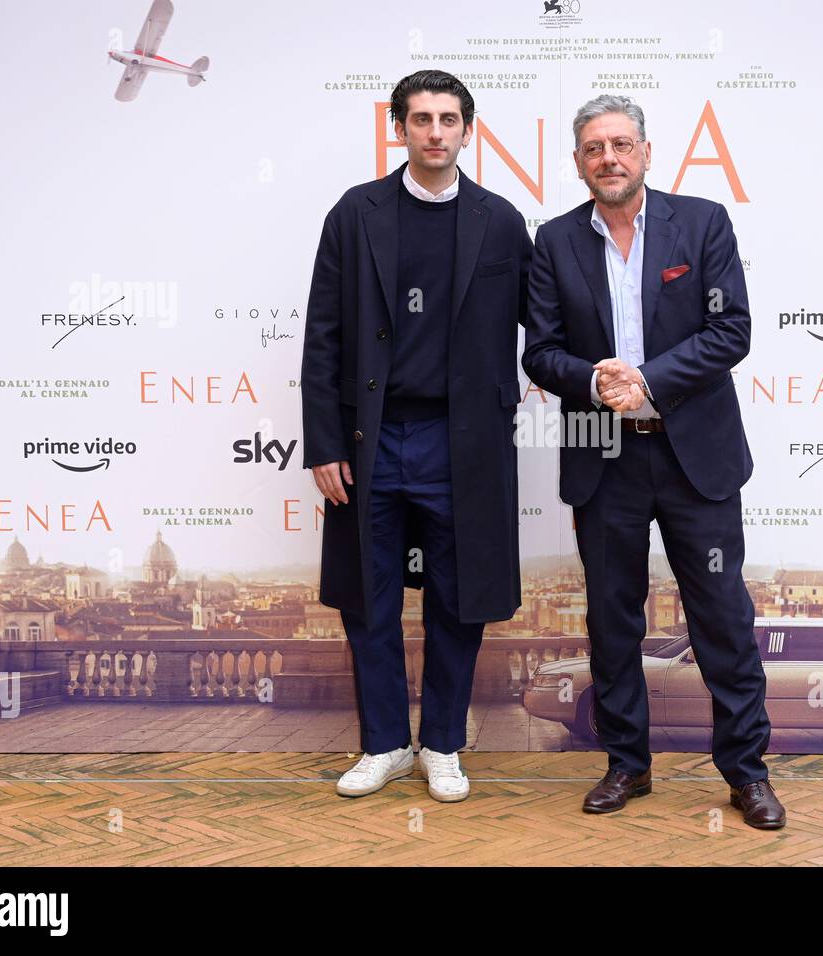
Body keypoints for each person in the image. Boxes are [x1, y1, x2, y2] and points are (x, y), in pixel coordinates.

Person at [521, 94, 784, 829]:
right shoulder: (554, 242)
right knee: (612, 621)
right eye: (594, 148)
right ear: (578, 162)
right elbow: (539, 350)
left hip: (693, 454)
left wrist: (648, 378)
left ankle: (747, 773)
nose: (609, 158)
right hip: (603, 456)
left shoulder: (701, 223)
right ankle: (626, 765)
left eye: (621, 144)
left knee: (722, 618)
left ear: (645, 152)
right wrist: (591, 380)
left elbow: (732, 330)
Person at [300, 69, 531, 803]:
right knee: (367, 599)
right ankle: (383, 745)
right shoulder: (355, 212)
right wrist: (325, 441)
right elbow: (323, 336)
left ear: (468, 130)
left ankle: (442, 745)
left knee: (459, 600)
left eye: (450, 119)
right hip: (372, 442)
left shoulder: (501, 221)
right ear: (398, 127)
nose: (436, 131)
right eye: (422, 118)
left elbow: (548, 323)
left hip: (464, 443)